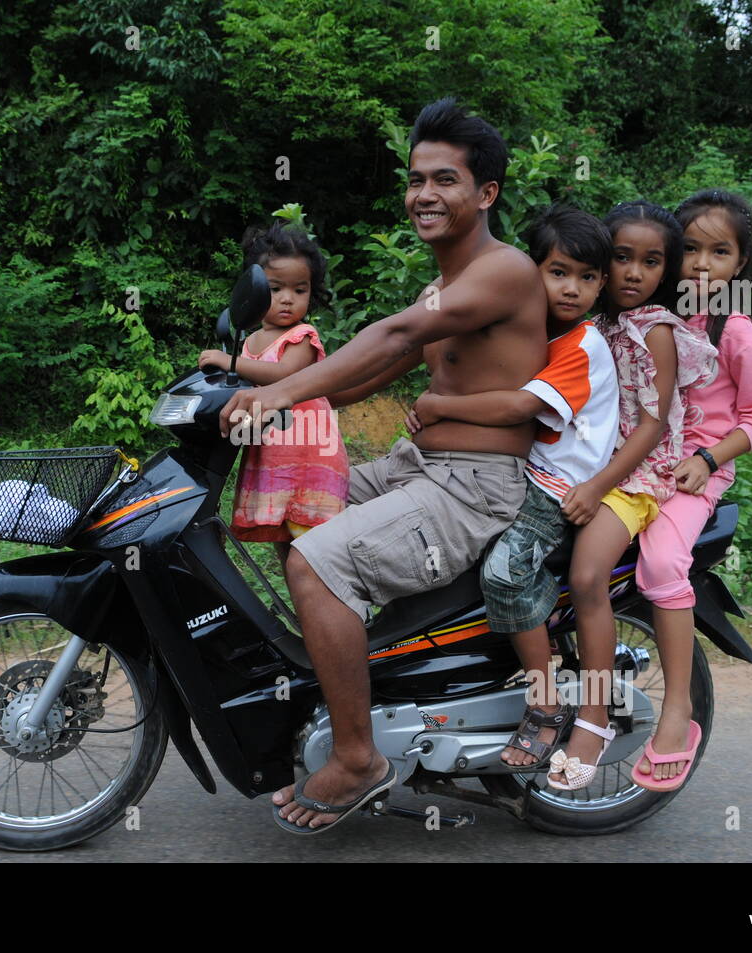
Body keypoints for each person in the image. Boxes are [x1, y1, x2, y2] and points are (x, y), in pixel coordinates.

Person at [219, 97, 548, 833]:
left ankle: (359, 756)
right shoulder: (445, 281)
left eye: (444, 180)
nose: (423, 194)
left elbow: (395, 332)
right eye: (414, 179)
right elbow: (376, 367)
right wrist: (260, 387)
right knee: (288, 499)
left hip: (473, 488)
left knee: (313, 560)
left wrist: (287, 393)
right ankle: (352, 670)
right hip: (418, 466)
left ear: (485, 193)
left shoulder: (505, 271)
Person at [402, 204, 621, 772]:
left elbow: (520, 407)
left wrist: (439, 407)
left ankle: (545, 703)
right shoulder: (528, 332)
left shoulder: (582, 345)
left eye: (588, 277)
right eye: (558, 272)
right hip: (514, 475)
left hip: (555, 490)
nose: (572, 289)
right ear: (530, 271)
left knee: (506, 570)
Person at [540, 200, 718, 790]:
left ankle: (593, 717)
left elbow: (651, 425)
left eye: (650, 262)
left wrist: (598, 487)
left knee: (589, 577)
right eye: (622, 258)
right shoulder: (589, 321)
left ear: (664, 271)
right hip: (577, 468)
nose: (634, 273)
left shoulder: (654, 331)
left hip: (637, 478)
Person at [631, 189, 752, 790]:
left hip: (694, 472)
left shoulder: (738, 332)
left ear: (739, 263)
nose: (700, 264)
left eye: (718, 252)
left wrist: (709, 456)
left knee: (664, 563)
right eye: (689, 249)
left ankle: (677, 709)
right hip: (639, 461)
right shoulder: (654, 313)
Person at [198, 222, 350, 571]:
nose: (287, 299)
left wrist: (229, 361)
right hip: (272, 459)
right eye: (275, 288)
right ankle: (304, 614)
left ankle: (339, 608)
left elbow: (284, 375)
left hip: (308, 459)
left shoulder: (302, 336)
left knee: (313, 552)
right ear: (251, 293)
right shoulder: (249, 343)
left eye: (299, 290)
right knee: (285, 544)